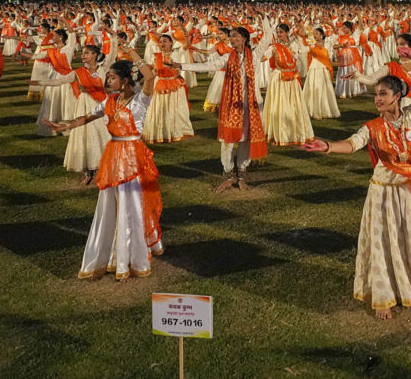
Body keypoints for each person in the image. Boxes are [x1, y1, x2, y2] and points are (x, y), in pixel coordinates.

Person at [300, 46, 411, 320]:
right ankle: (383, 297)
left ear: (397, 96)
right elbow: (352, 144)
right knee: (383, 242)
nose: (377, 99)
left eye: (383, 94)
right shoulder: (372, 127)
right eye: (376, 94)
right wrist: (328, 146)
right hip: (384, 193)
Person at [44, 56, 164, 281]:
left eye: (112, 77)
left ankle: (131, 257)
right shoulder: (110, 101)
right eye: (107, 77)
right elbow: (88, 117)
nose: (107, 81)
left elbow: (150, 77)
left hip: (133, 159)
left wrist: (132, 53)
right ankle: (112, 253)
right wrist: (66, 125)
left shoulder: (140, 101)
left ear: (125, 81)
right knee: (110, 203)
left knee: (132, 204)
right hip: (113, 156)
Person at [173, 27, 270, 192]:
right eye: (230, 36)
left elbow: (267, 36)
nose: (231, 39)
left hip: (250, 106)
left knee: (246, 140)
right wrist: (181, 65)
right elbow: (207, 66)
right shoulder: (227, 57)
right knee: (227, 142)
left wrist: (264, 17)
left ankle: (241, 175)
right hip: (232, 105)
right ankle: (228, 175)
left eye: (235, 36)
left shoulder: (255, 56)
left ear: (244, 38)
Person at [33, 44, 111, 187]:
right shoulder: (79, 72)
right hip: (83, 104)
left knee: (102, 134)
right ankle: (88, 173)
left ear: (94, 55)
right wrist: (39, 82)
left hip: (100, 104)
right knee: (84, 136)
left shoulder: (103, 70)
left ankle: (104, 169)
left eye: (87, 53)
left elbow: (113, 56)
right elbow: (60, 81)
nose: (83, 55)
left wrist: (113, 39)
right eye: (83, 53)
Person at [261, 23, 315, 146]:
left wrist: (314, 45)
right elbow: (264, 57)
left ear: (287, 33)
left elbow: (304, 45)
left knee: (294, 106)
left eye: (281, 32)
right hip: (279, 78)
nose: (279, 34)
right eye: (277, 32)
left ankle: (295, 132)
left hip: (292, 79)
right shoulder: (274, 47)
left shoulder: (294, 45)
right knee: (280, 105)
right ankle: (280, 134)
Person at [303, 27, 341, 120]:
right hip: (314, 69)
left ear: (322, 35)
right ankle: (312, 110)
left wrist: (331, 25)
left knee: (324, 88)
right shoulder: (312, 46)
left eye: (317, 34)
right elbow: (302, 50)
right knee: (314, 87)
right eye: (314, 34)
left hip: (324, 69)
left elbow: (336, 35)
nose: (315, 35)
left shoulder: (327, 44)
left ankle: (324, 109)